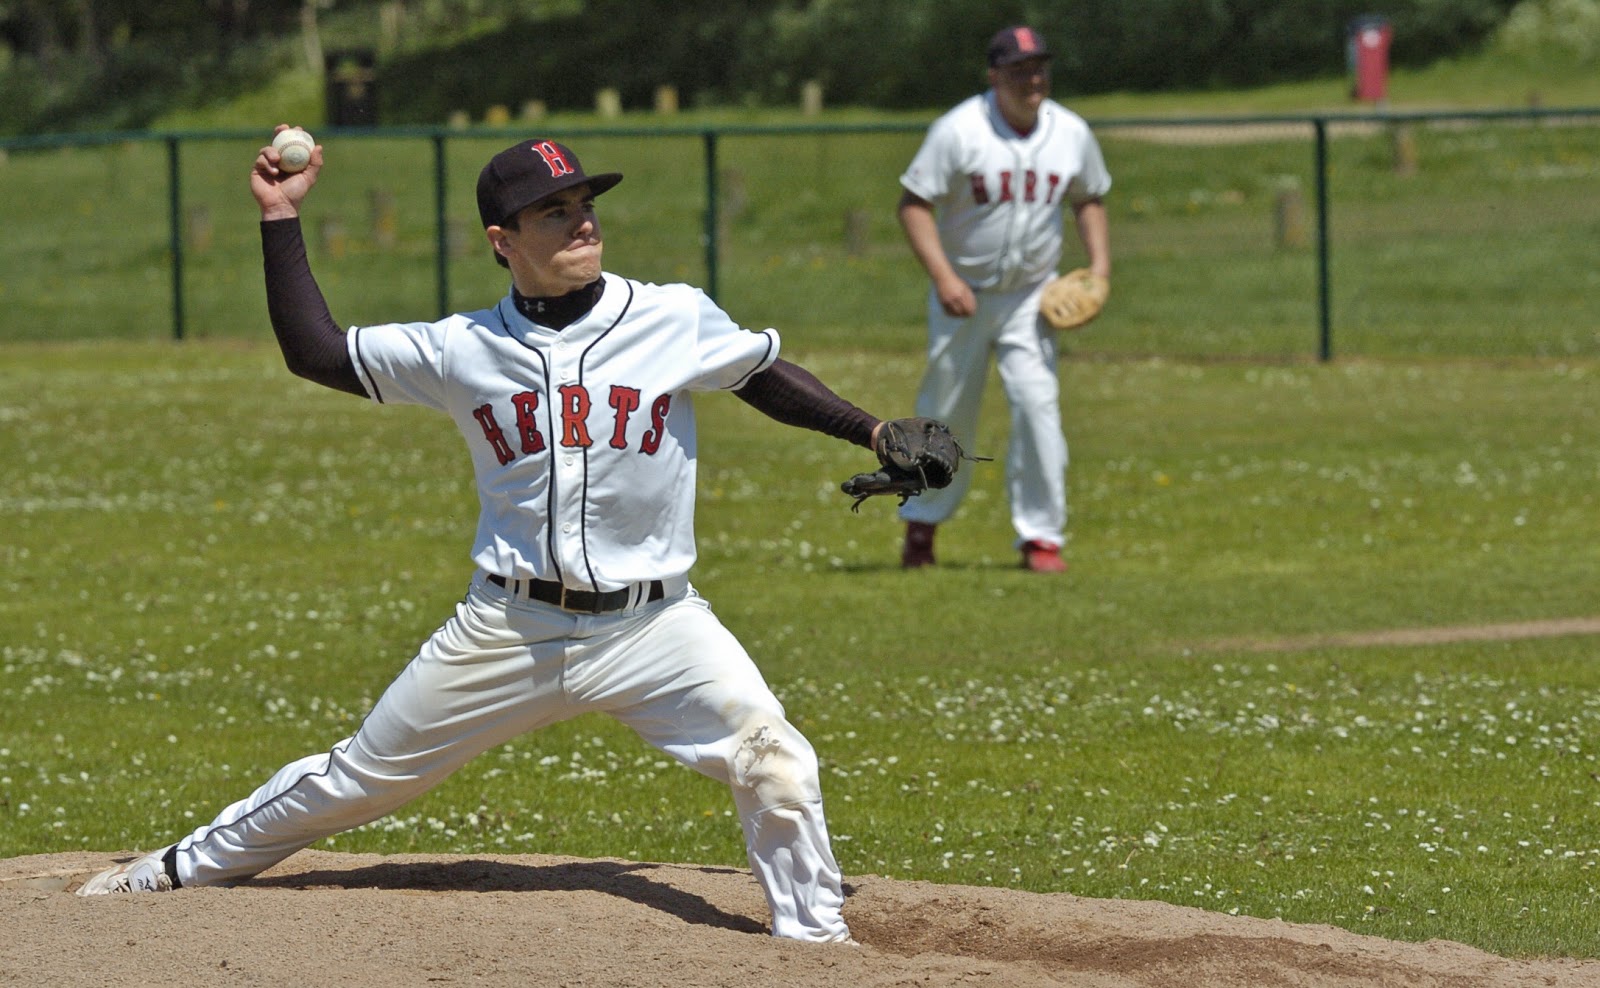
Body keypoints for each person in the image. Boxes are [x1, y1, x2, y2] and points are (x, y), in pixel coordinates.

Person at [73, 130, 922, 945]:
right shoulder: (462, 349)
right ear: (502, 240)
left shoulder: (672, 317)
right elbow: (316, 352)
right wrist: (279, 215)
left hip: (655, 627)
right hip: (508, 628)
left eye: (584, 202)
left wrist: (875, 431)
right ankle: (175, 870)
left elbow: (762, 375)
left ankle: (815, 945)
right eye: (554, 211)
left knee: (775, 761)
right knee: (358, 780)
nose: (582, 219)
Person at [895, 24, 1112, 573]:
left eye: (1039, 66)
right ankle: (921, 524)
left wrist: (1100, 269)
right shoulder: (959, 130)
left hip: (1031, 299)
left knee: (1039, 409)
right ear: (995, 76)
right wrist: (944, 277)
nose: (1033, 77)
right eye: (1019, 69)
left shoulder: (1070, 132)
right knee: (944, 416)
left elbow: (1089, 198)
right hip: (962, 294)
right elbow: (914, 204)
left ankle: (1041, 538)